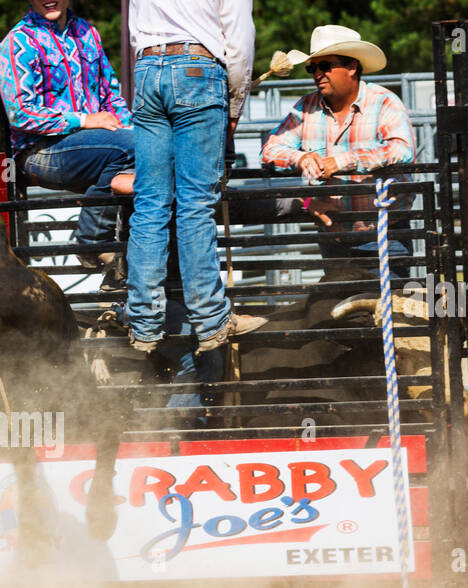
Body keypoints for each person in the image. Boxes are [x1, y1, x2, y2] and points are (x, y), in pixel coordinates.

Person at [124, 0, 266, 355]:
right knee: (195, 206)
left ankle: (143, 324)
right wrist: (234, 105)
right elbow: (238, 39)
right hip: (196, 69)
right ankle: (210, 319)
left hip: (146, 69)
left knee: (150, 204)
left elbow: (132, 31)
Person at [260, 25, 415, 279]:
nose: (317, 74)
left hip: (384, 232)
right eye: (313, 68)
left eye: (326, 66)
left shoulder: (384, 102)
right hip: (334, 236)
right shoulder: (306, 107)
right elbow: (270, 149)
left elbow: (401, 149)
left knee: (389, 309)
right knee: (342, 312)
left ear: (351, 67)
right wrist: (301, 157)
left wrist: (341, 161)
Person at [0, 0, 134, 272]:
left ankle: (121, 275)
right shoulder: (16, 43)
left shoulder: (87, 33)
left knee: (148, 152)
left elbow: (110, 94)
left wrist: (129, 128)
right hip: (39, 153)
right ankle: (94, 241)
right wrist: (83, 120)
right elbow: (21, 113)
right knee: (133, 150)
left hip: (95, 147)